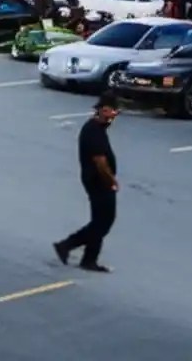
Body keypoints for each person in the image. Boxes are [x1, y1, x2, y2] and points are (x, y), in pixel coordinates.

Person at [53, 91, 120, 273]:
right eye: (112, 112)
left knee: (99, 221)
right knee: (103, 222)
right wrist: (112, 181)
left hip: (96, 181)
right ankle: (67, 245)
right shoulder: (94, 132)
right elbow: (100, 161)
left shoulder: (96, 129)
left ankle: (89, 259)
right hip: (99, 182)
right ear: (104, 110)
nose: (114, 116)